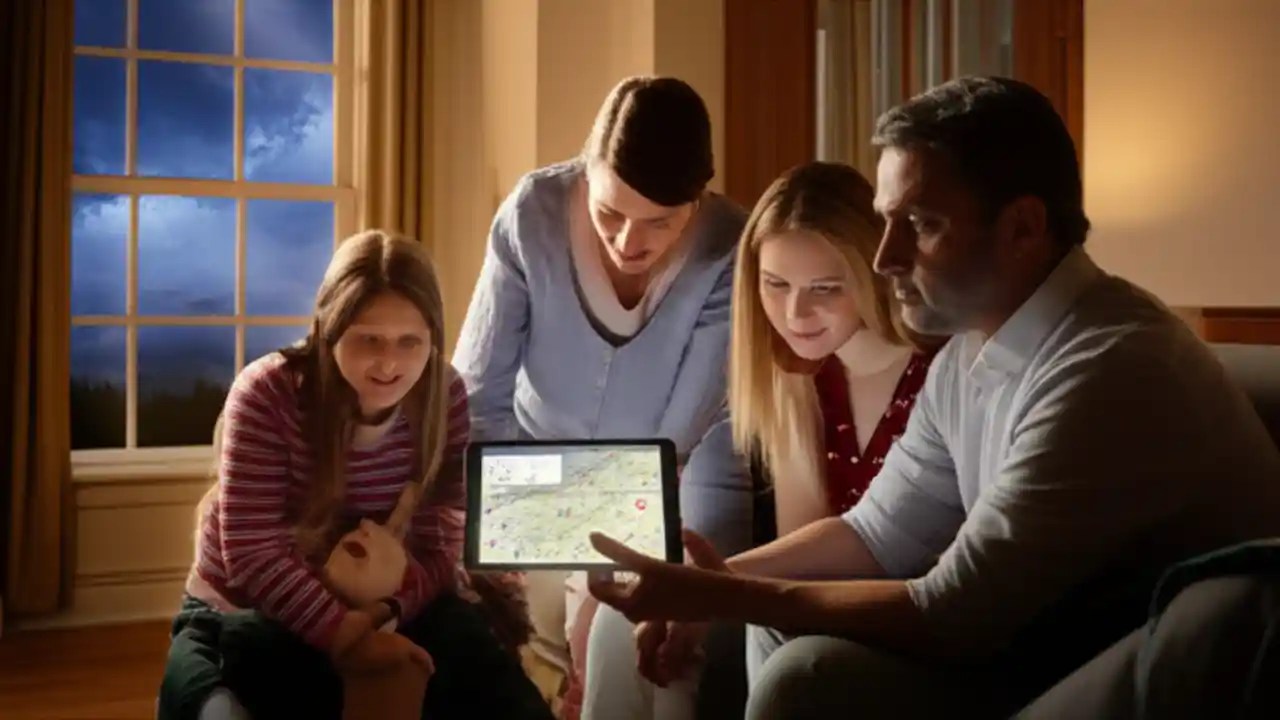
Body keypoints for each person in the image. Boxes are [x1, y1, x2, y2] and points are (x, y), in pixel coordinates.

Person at [584, 76, 1280, 719]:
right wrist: (704, 584)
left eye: (919, 224)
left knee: (806, 675)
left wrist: (722, 594)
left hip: (1143, 665)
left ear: (1023, 227)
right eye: (886, 221)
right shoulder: (970, 356)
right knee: (773, 628)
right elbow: (877, 532)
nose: (883, 257)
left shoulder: (1109, 367)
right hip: (1044, 649)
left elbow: (955, 613)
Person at [582, 161, 940, 719]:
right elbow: (803, 539)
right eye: (776, 285)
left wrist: (712, 587)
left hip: (901, 609)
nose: (795, 313)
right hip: (815, 594)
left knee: (746, 633)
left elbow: (892, 555)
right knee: (616, 622)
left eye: (826, 288)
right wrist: (698, 588)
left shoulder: (938, 373)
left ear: (871, 277)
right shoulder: (798, 376)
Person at [158, 230, 553, 720]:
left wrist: (384, 613)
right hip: (247, 609)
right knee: (218, 708)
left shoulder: (442, 395)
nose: (389, 363)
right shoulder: (266, 394)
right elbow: (252, 552)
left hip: (389, 605)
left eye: (411, 342)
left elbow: (439, 541)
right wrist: (344, 633)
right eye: (369, 339)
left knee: (503, 692)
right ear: (327, 329)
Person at [451, 76, 754, 715]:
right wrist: (494, 530)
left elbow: (682, 431)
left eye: (659, 223)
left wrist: (623, 573)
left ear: (697, 202)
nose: (627, 242)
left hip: (670, 471)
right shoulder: (532, 215)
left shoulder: (731, 243)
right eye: (610, 213)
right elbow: (481, 393)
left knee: (657, 649)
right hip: (531, 460)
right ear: (587, 172)